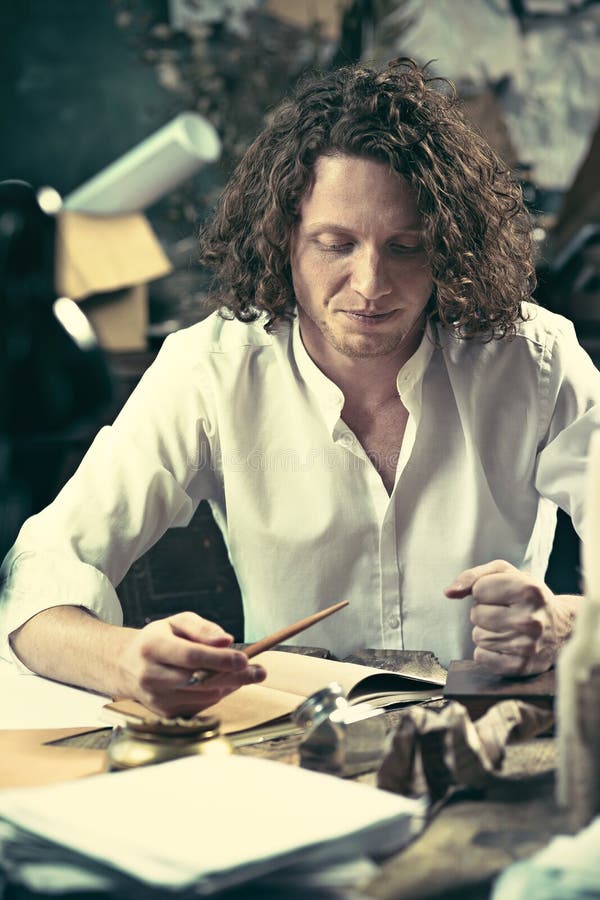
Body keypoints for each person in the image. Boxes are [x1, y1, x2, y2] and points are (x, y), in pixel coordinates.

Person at [1, 59, 599, 718]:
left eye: (405, 247)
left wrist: (566, 622)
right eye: (335, 244)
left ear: (448, 245)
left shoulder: (534, 359)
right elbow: (41, 571)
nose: (370, 285)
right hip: (297, 746)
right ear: (283, 235)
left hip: (494, 738)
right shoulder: (210, 369)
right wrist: (122, 658)